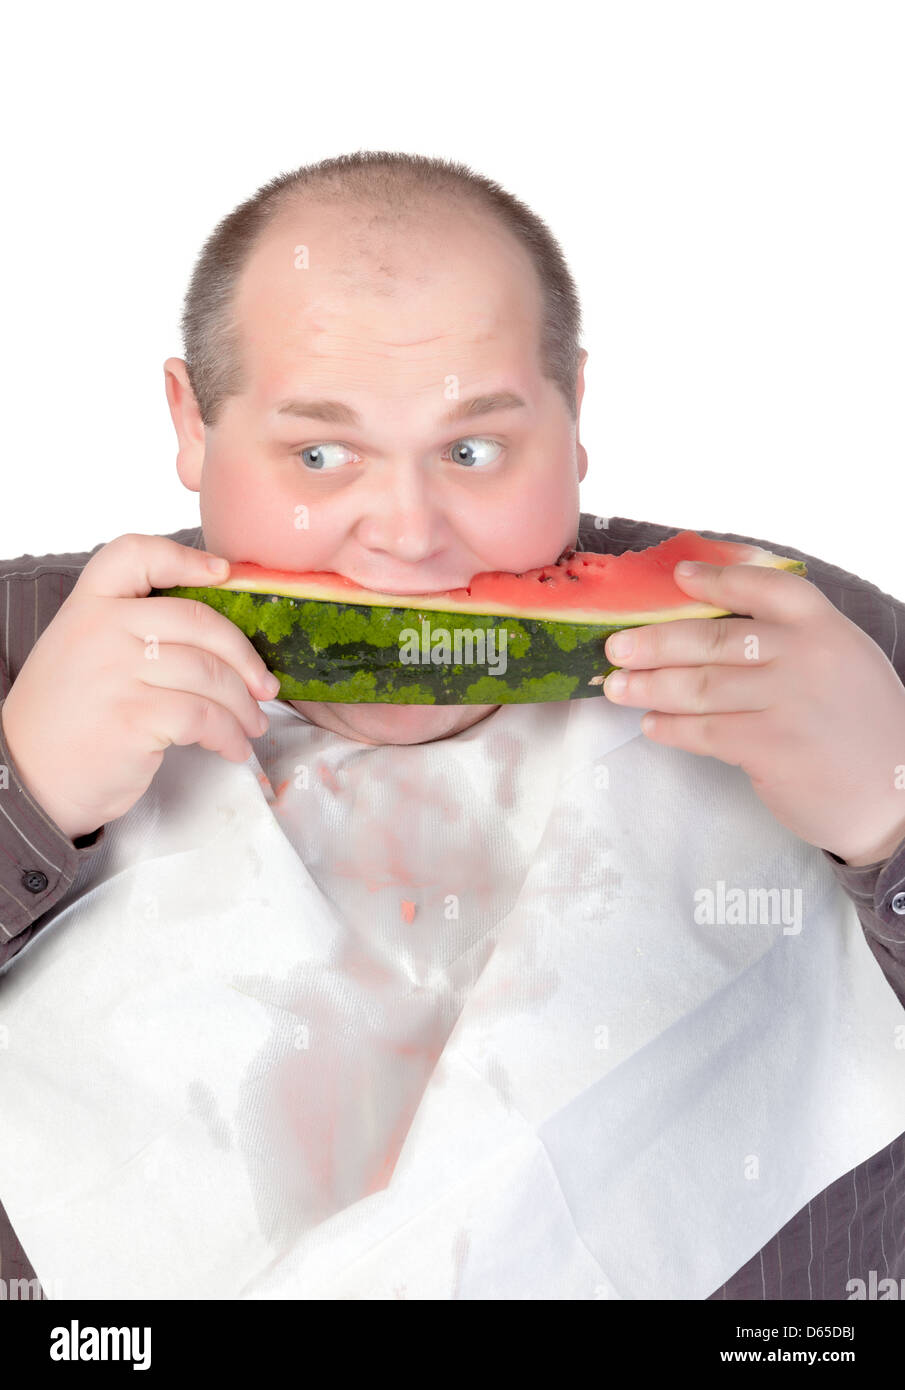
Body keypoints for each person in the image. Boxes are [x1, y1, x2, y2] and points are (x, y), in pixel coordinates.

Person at [1, 151, 903, 1299]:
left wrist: (889, 810)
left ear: (572, 416)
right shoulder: (18, 641)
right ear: (191, 421)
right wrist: (19, 793)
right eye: (319, 454)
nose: (405, 538)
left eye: (472, 450)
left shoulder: (807, 632)